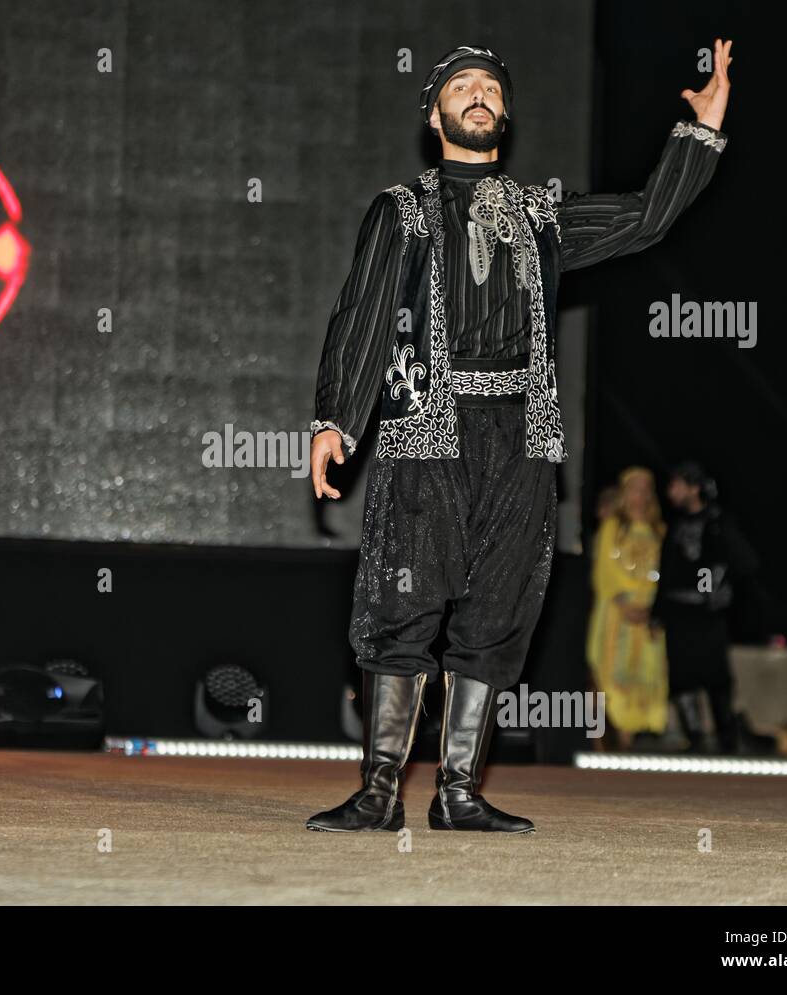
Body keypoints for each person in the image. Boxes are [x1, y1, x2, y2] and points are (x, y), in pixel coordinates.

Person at [306, 41, 733, 832]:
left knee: (498, 611)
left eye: (489, 87)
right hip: (425, 434)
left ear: (504, 115)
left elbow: (644, 217)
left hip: (521, 437)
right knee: (402, 602)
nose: (477, 95)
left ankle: (459, 790)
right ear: (434, 116)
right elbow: (360, 316)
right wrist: (337, 420)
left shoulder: (542, 215)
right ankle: (378, 790)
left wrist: (697, 134)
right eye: (460, 87)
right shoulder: (402, 209)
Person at [648, 460, 758, 753]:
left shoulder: (718, 522)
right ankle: (694, 738)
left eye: (677, 485)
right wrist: (657, 613)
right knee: (681, 677)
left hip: (706, 615)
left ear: (693, 488)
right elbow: (666, 572)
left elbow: (744, 561)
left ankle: (726, 739)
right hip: (678, 613)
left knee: (715, 677)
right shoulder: (675, 527)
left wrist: (721, 586)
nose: (671, 491)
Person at [586, 467, 669, 749]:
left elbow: (666, 572)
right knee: (611, 670)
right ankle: (614, 736)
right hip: (616, 611)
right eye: (635, 487)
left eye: (646, 488)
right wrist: (624, 602)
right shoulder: (613, 527)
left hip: (648, 613)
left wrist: (652, 607)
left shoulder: (659, 530)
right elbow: (605, 571)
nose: (640, 494)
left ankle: (639, 733)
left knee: (647, 670)